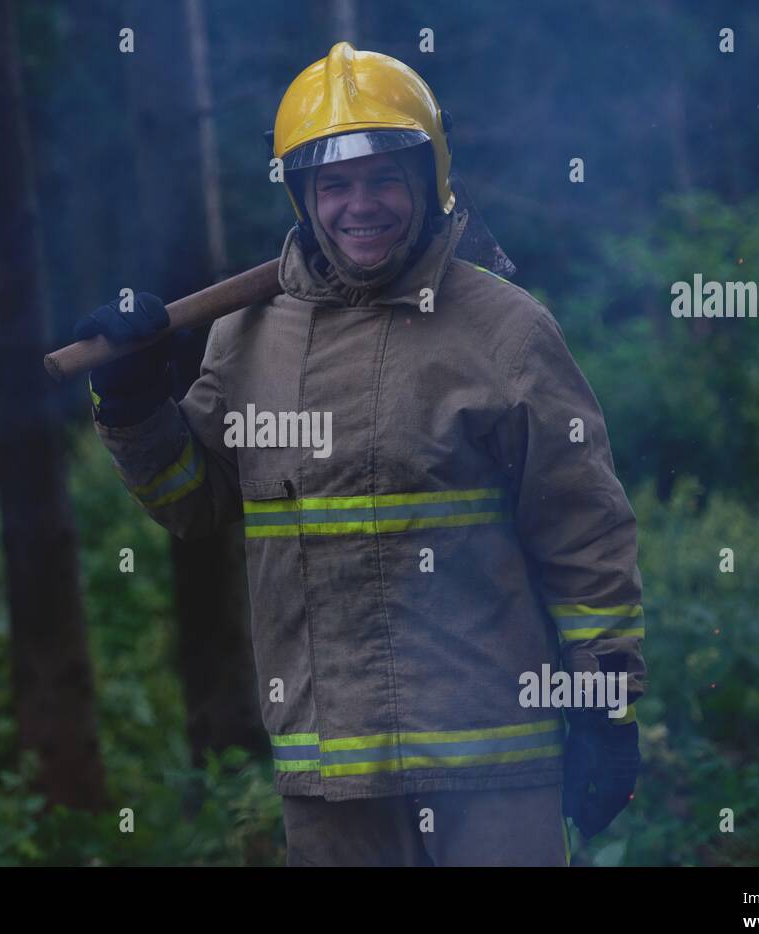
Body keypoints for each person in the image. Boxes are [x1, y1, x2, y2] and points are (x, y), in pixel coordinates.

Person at [75, 42, 646, 866]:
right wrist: (131, 401)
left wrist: (604, 703)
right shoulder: (246, 338)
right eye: (334, 184)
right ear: (303, 195)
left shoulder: (507, 331)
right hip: (331, 779)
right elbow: (194, 500)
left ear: (430, 180)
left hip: (491, 766)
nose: (360, 206)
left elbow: (585, 534)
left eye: (385, 178)